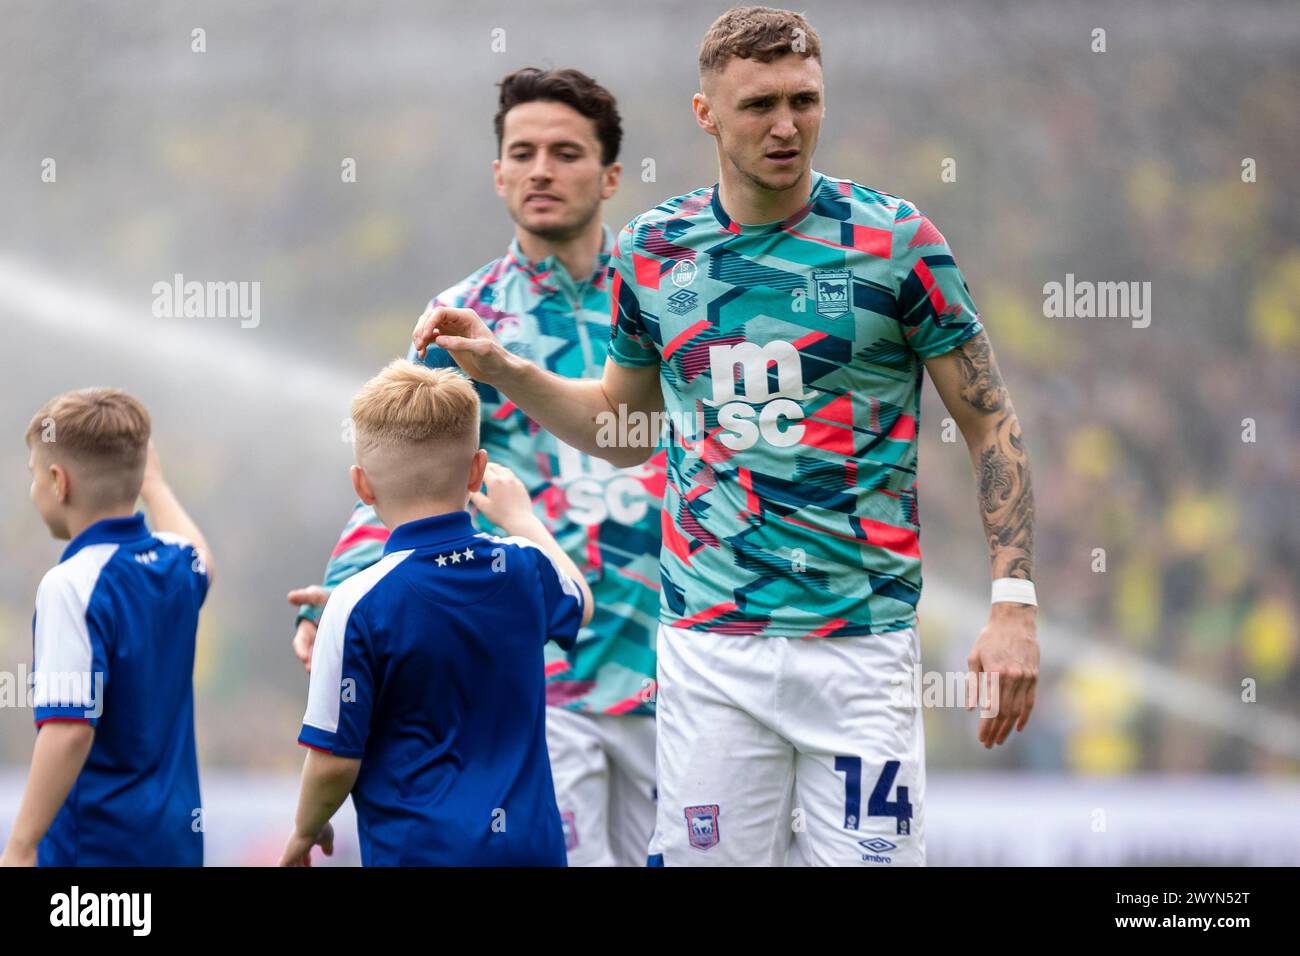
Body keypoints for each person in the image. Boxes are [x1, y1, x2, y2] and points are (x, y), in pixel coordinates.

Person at [411, 6, 1040, 866]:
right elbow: (627, 429)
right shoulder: (657, 252)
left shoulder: (897, 243)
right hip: (709, 651)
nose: (787, 126)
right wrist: (507, 371)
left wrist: (1014, 605)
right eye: (759, 105)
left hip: (860, 649)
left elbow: (991, 422)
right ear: (706, 114)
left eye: (804, 100)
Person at [288, 67, 661, 865]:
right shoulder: (463, 315)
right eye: (522, 153)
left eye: (565, 152)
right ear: (497, 174)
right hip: (542, 676)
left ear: (611, 175)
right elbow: (403, 461)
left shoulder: (664, 299)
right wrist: (338, 593)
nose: (541, 170)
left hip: (672, 658)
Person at [281, 361, 593, 866]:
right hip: (530, 851)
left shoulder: (356, 602)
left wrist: (305, 829)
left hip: (419, 854)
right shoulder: (522, 566)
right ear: (476, 471)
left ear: (362, 487)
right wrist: (521, 519)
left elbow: (335, 760)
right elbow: (578, 601)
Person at [1, 388, 213, 867]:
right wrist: (153, 486)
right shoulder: (174, 563)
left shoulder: (70, 585)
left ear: (59, 482)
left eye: (34, 474)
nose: (32, 488)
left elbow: (69, 730)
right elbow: (202, 555)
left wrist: (20, 845)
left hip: (96, 854)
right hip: (175, 847)